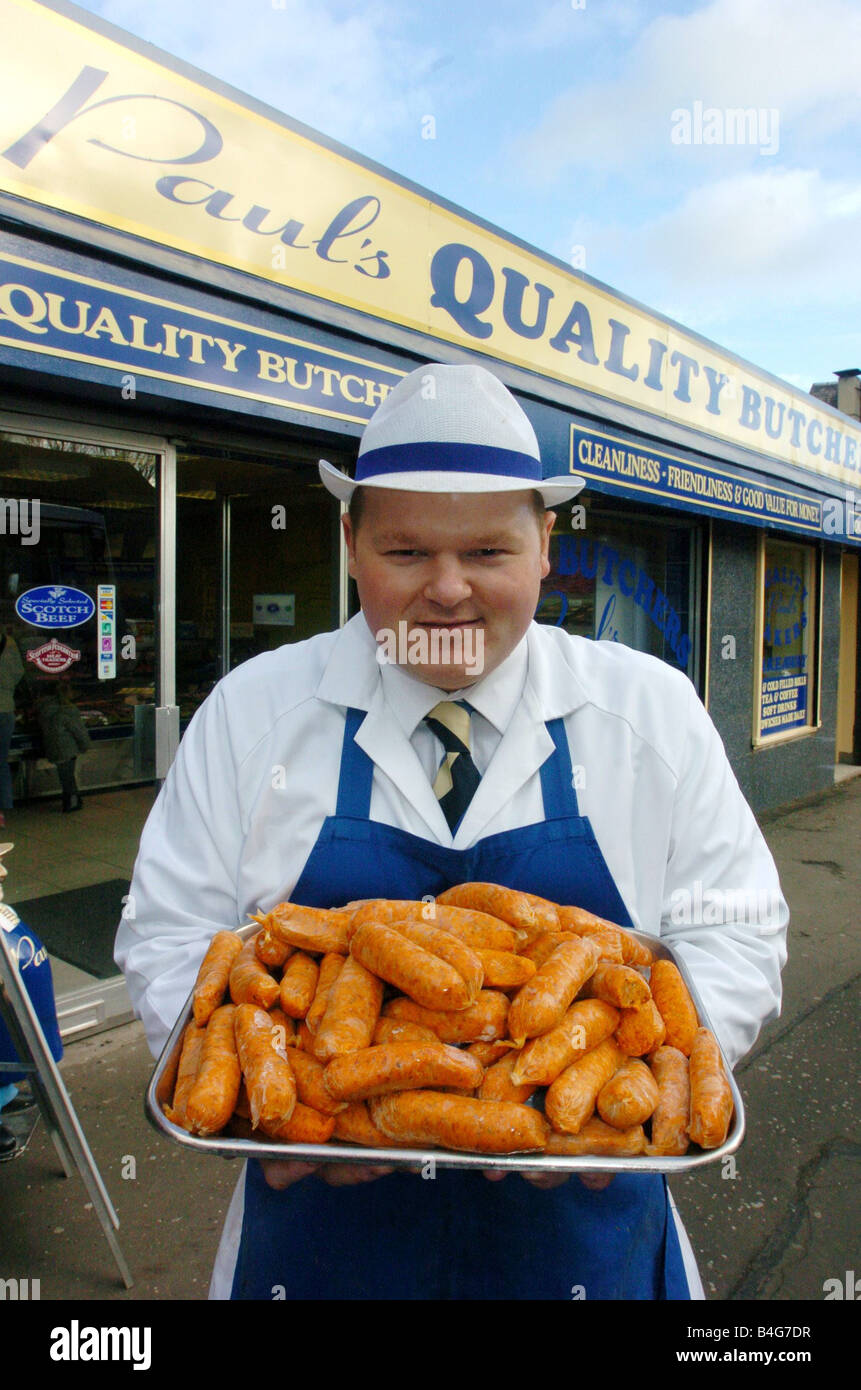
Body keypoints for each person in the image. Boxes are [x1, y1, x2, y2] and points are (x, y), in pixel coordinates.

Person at [116, 362, 788, 1301]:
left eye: (486, 553)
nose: (446, 591)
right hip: (317, 1243)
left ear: (546, 544)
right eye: (404, 555)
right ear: (350, 543)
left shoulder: (650, 711)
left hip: (587, 1242)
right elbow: (169, 931)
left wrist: (606, 1080)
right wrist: (262, 1106)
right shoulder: (252, 712)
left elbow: (735, 925)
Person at [34, 681, 91, 812]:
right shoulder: (68, 710)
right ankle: (71, 802)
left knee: (65, 775)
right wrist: (85, 745)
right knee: (69, 777)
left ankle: (73, 799)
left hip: (53, 747)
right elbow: (78, 731)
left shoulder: (44, 709)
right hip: (68, 747)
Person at [0, 629, 24, 828]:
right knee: (1, 760)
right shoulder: (9, 643)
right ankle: (3, 809)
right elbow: (18, 673)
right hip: (5, 707)